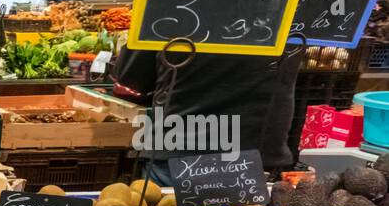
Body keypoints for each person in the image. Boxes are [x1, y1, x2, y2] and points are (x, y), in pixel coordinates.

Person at [110, 47, 303, 184]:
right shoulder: (290, 5)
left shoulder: (169, 1)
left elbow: (132, 78)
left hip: (178, 150)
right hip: (254, 156)